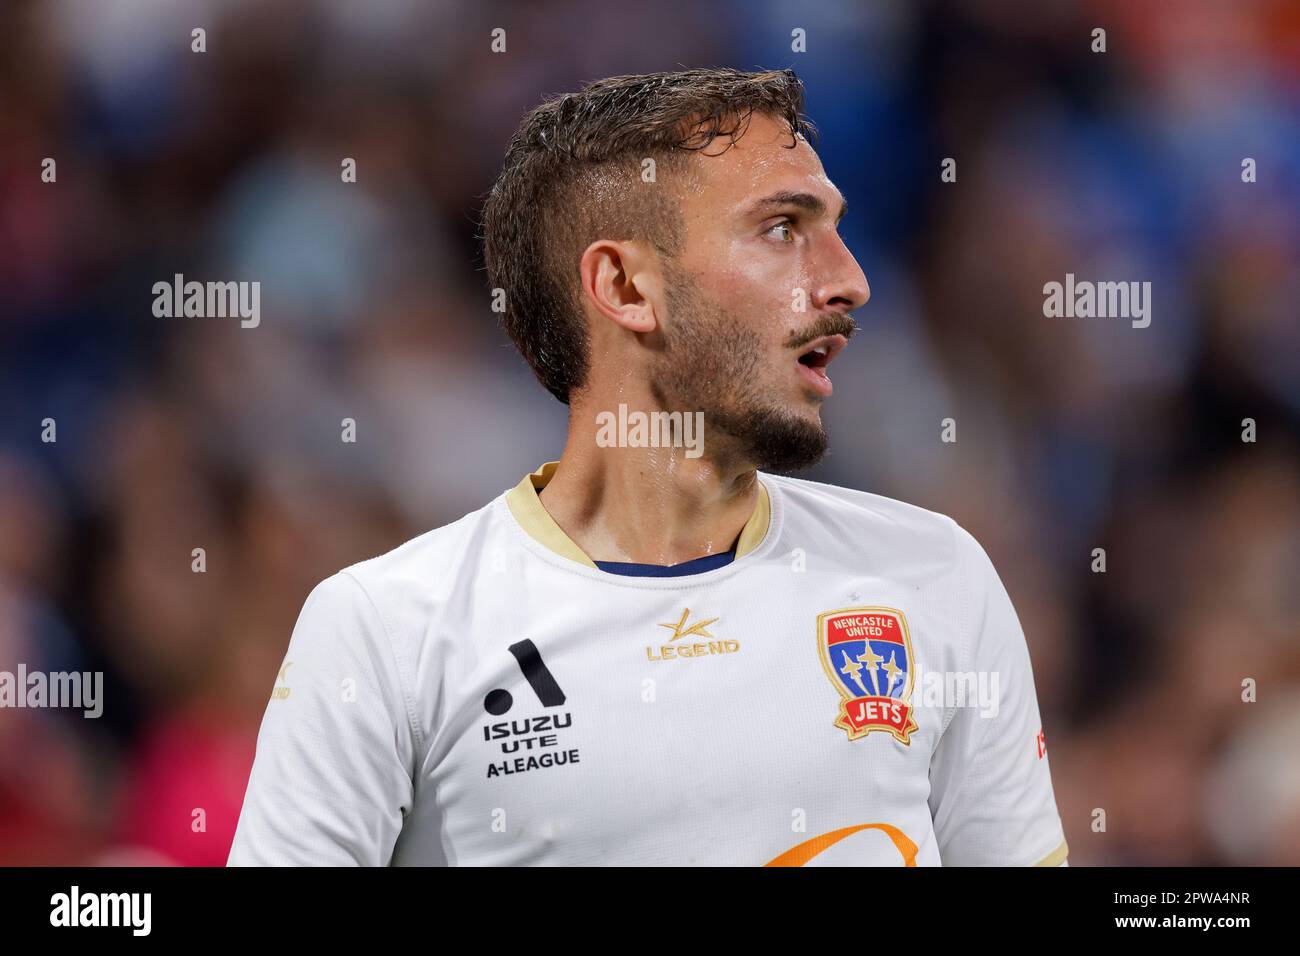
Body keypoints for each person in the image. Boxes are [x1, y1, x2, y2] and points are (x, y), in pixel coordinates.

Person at [228, 67, 1067, 866]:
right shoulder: (389, 632)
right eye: (783, 229)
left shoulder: (934, 576)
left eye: (836, 230)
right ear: (626, 286)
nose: (849, 281)